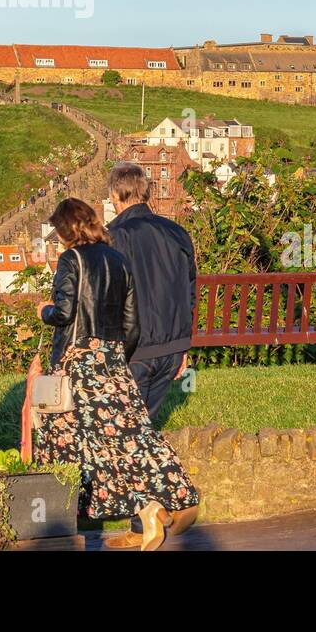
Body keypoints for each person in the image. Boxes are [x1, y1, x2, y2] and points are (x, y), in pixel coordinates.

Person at [31, 197, 200, 551]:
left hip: (79, 363)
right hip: (112, 359)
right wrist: (116, 356)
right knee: (129, 434)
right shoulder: (118, 260)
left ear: (67, 230)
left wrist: (43, 310)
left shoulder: (70, 260)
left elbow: (63, 312)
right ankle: (160, 502)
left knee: (66, 438)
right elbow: (132, 323)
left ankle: (61, 523)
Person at [105, 160, 201, 538]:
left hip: (135, 349)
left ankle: (156, 514)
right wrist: (184, 345)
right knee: (140, 430)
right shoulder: (177, 232)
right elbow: (189, 290)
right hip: (173, 346)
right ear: (145, 193)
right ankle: (164, 508)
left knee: (127, 436)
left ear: (116, 196)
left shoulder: (113, 237)